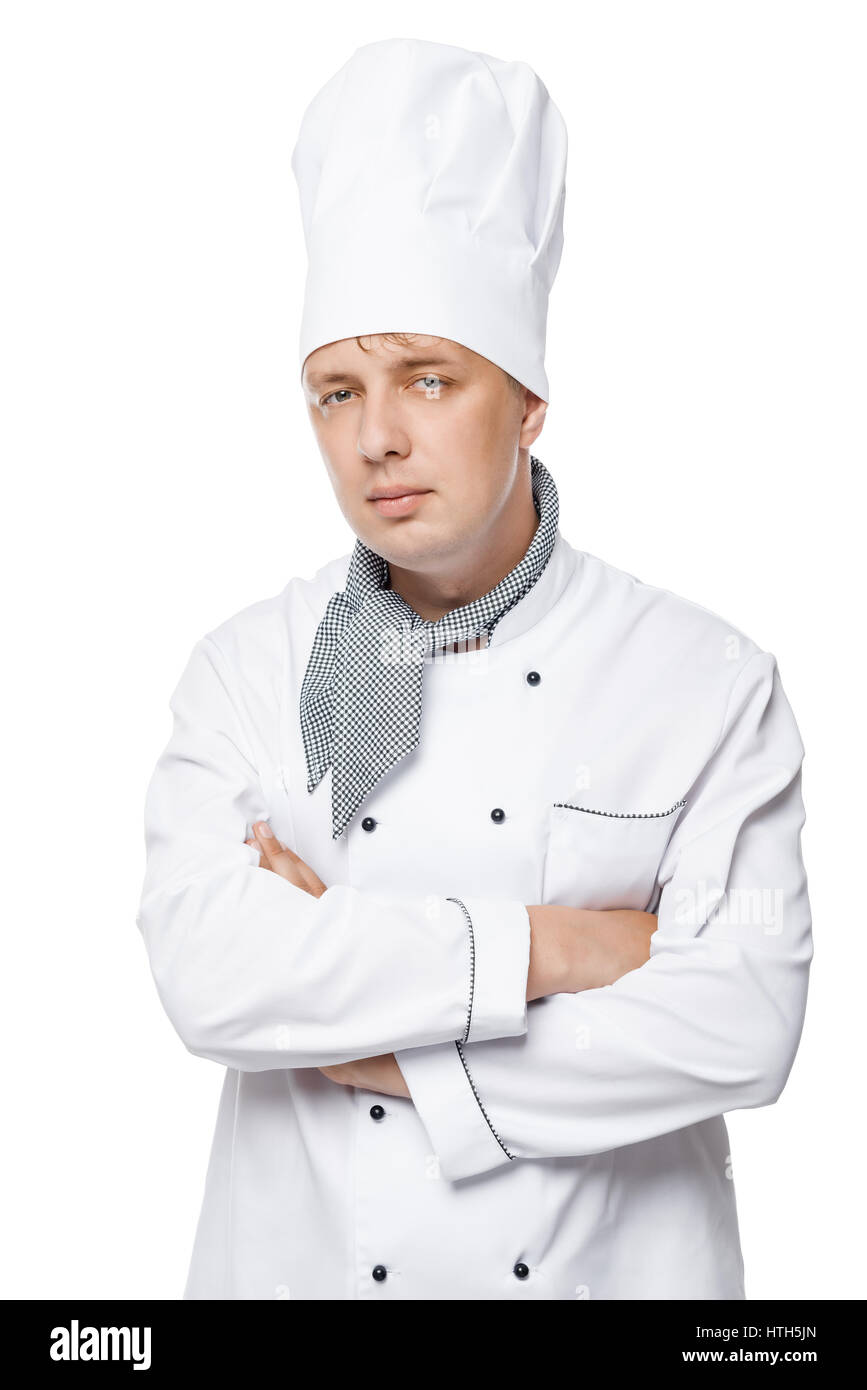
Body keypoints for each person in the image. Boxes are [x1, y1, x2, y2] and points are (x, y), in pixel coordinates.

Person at [136, 37, 812, 1301]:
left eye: (427, 378)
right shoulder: (247, 671)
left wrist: (390, 1045)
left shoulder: (704, 679)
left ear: (530, 399)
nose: (377, 437)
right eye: (336, 393)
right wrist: (561, 948)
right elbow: (214, 979)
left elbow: (743, 1025)